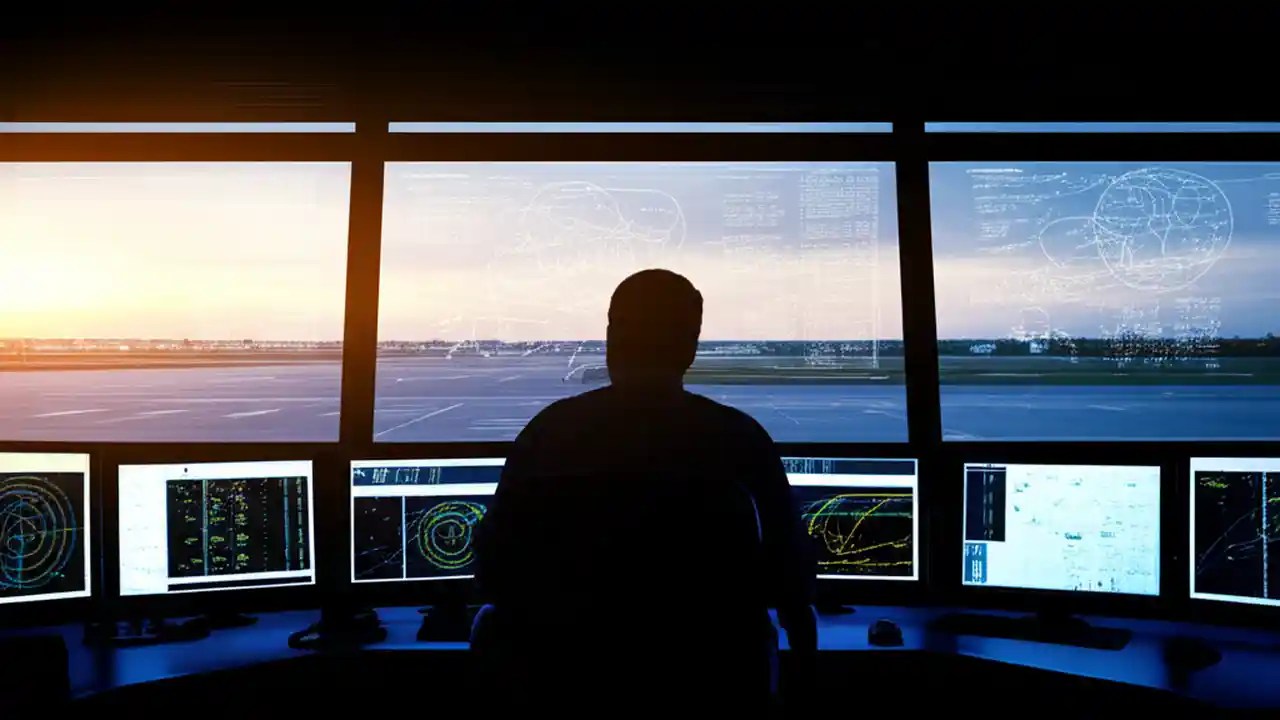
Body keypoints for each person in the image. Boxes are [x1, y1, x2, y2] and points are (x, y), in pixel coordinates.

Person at [472, 268, 817, 711]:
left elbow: (495, 574)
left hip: (561, 691)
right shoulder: (741, 441)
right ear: (690, 347)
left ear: (612, 338)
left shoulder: (546, 435)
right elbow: (792, 585)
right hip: (714, 688)